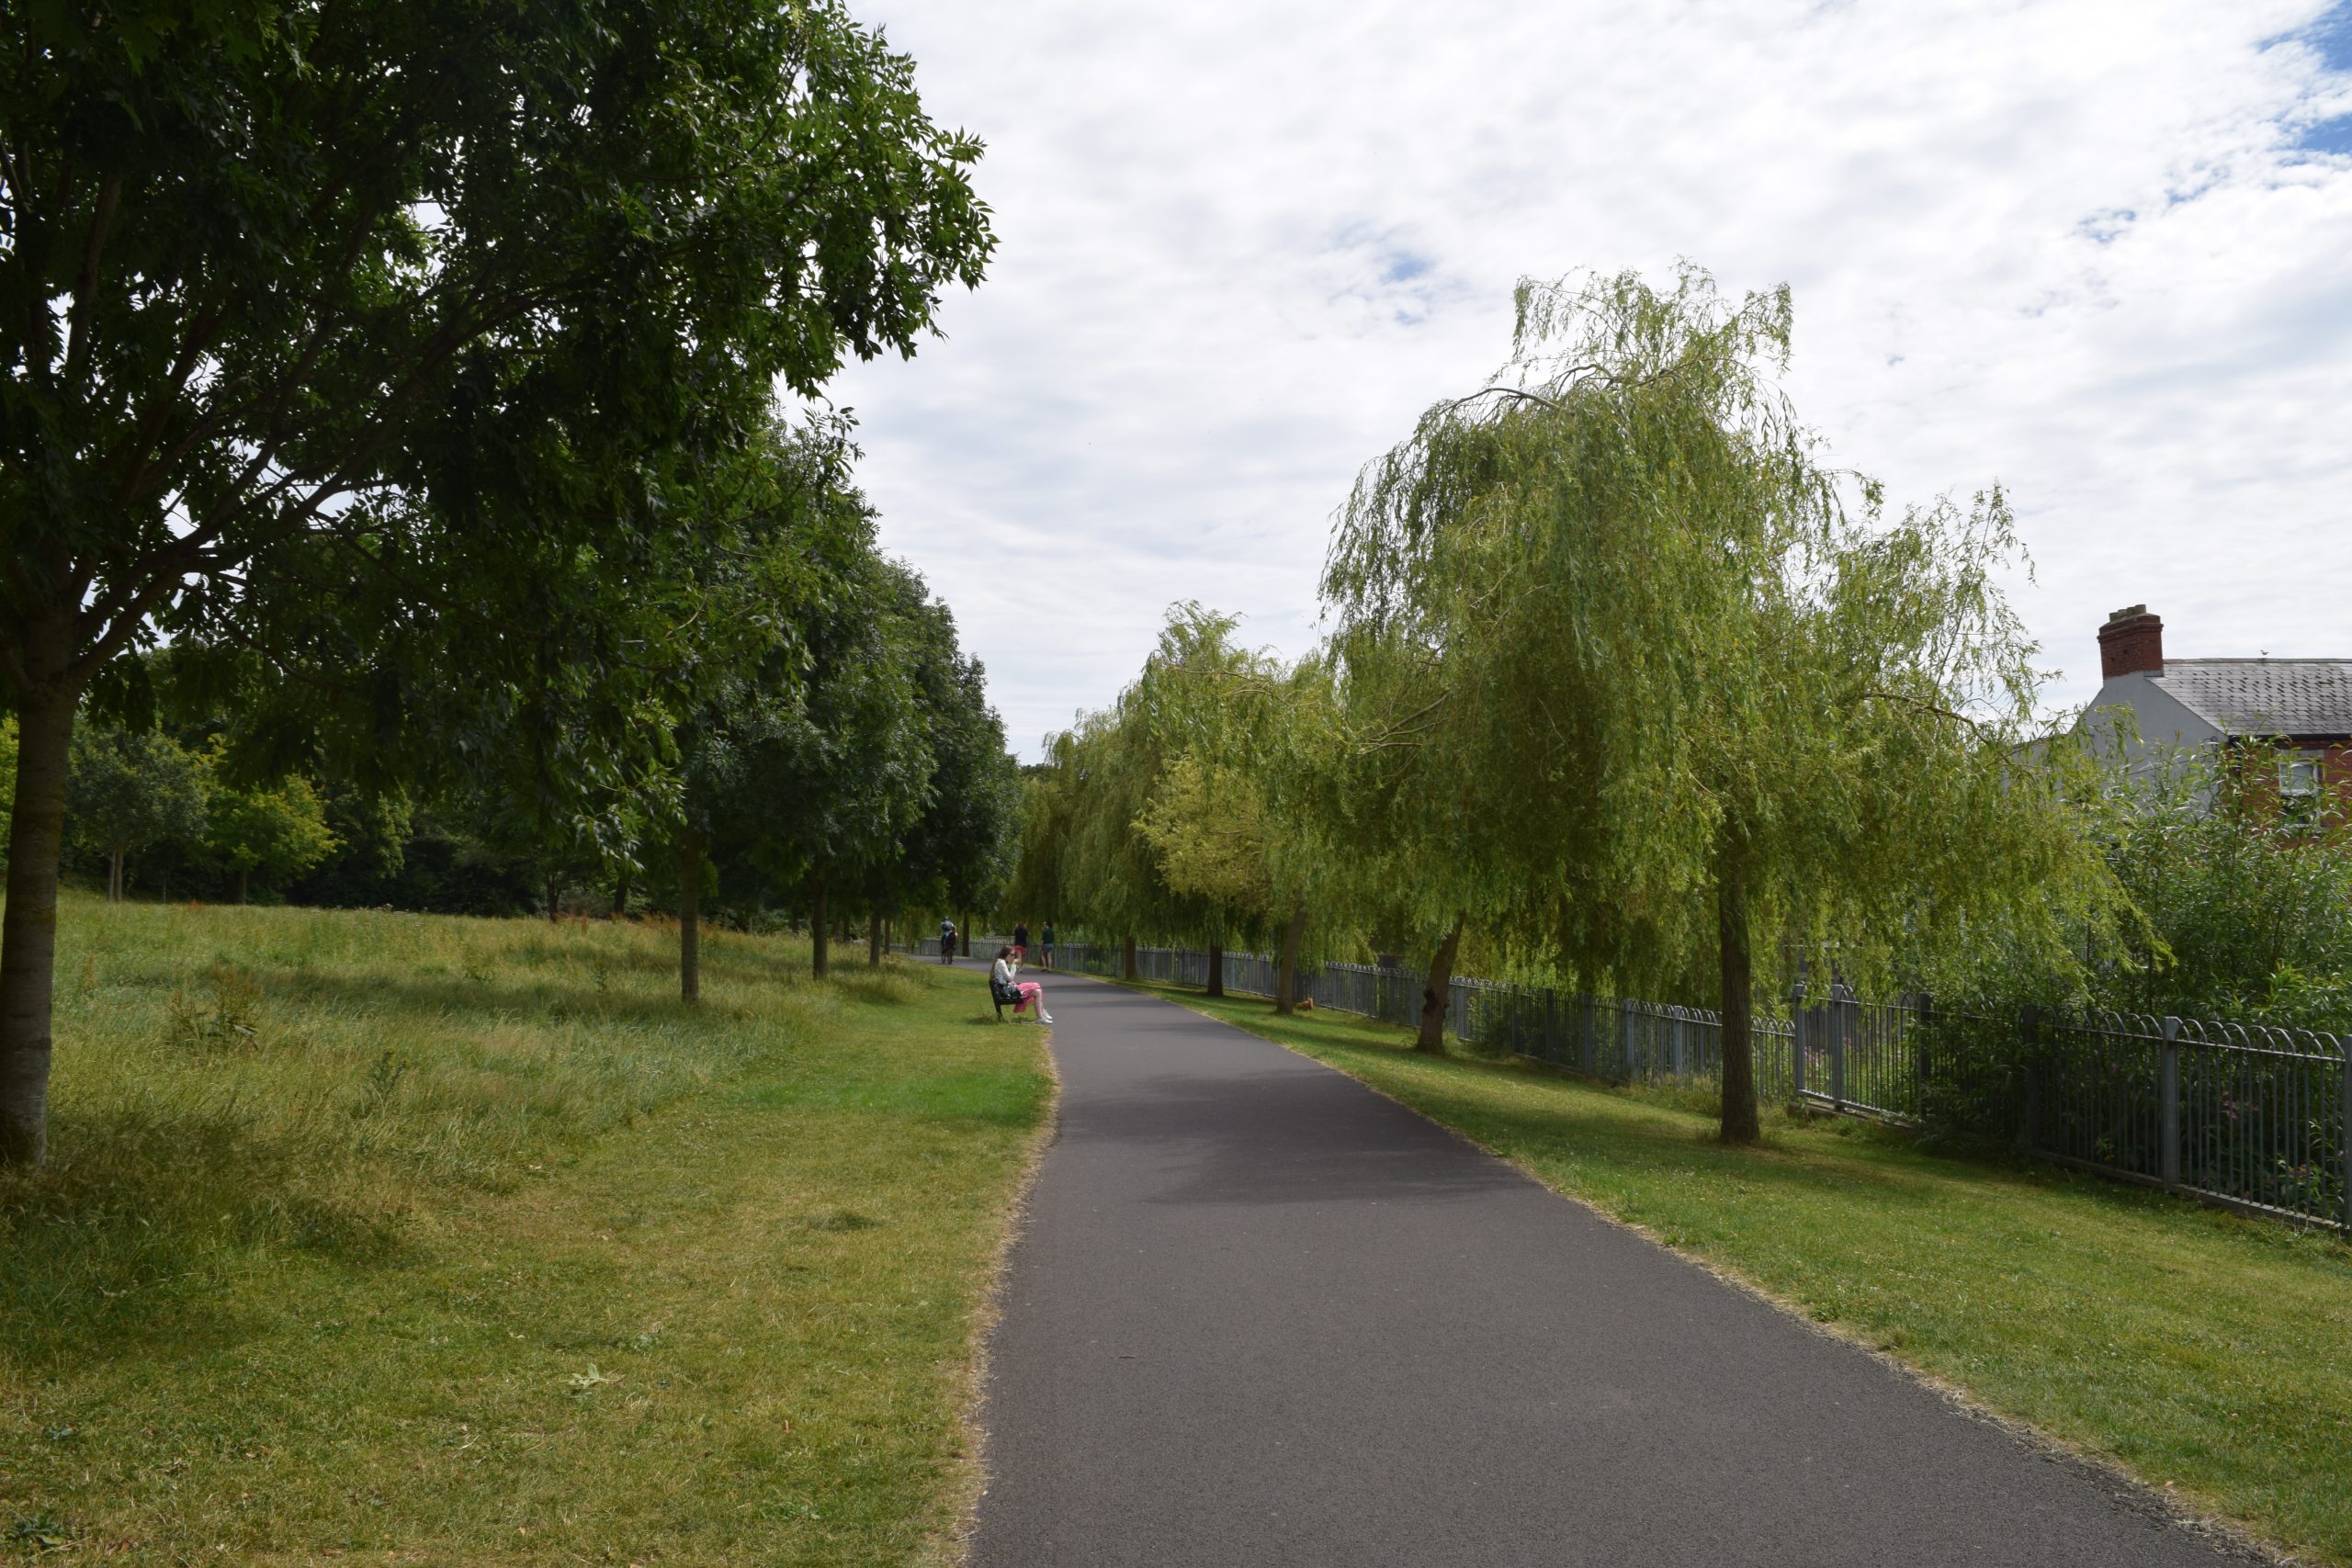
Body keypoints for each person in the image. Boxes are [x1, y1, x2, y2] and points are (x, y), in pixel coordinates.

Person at [991, 944, 1051, 1024]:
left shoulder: (1001, 962)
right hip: (1007, 990)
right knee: (1037, 990)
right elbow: (1010, 978)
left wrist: (1011, 964)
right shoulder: (1001, 963)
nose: (1013, 957)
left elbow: (1006, 978)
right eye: (1012, 955)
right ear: (1006, 954)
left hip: (1007, 989)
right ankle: (1040, 1016)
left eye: (1014, 955)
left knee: (1037, 989)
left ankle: (1041, 1014)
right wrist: (1013, 965)